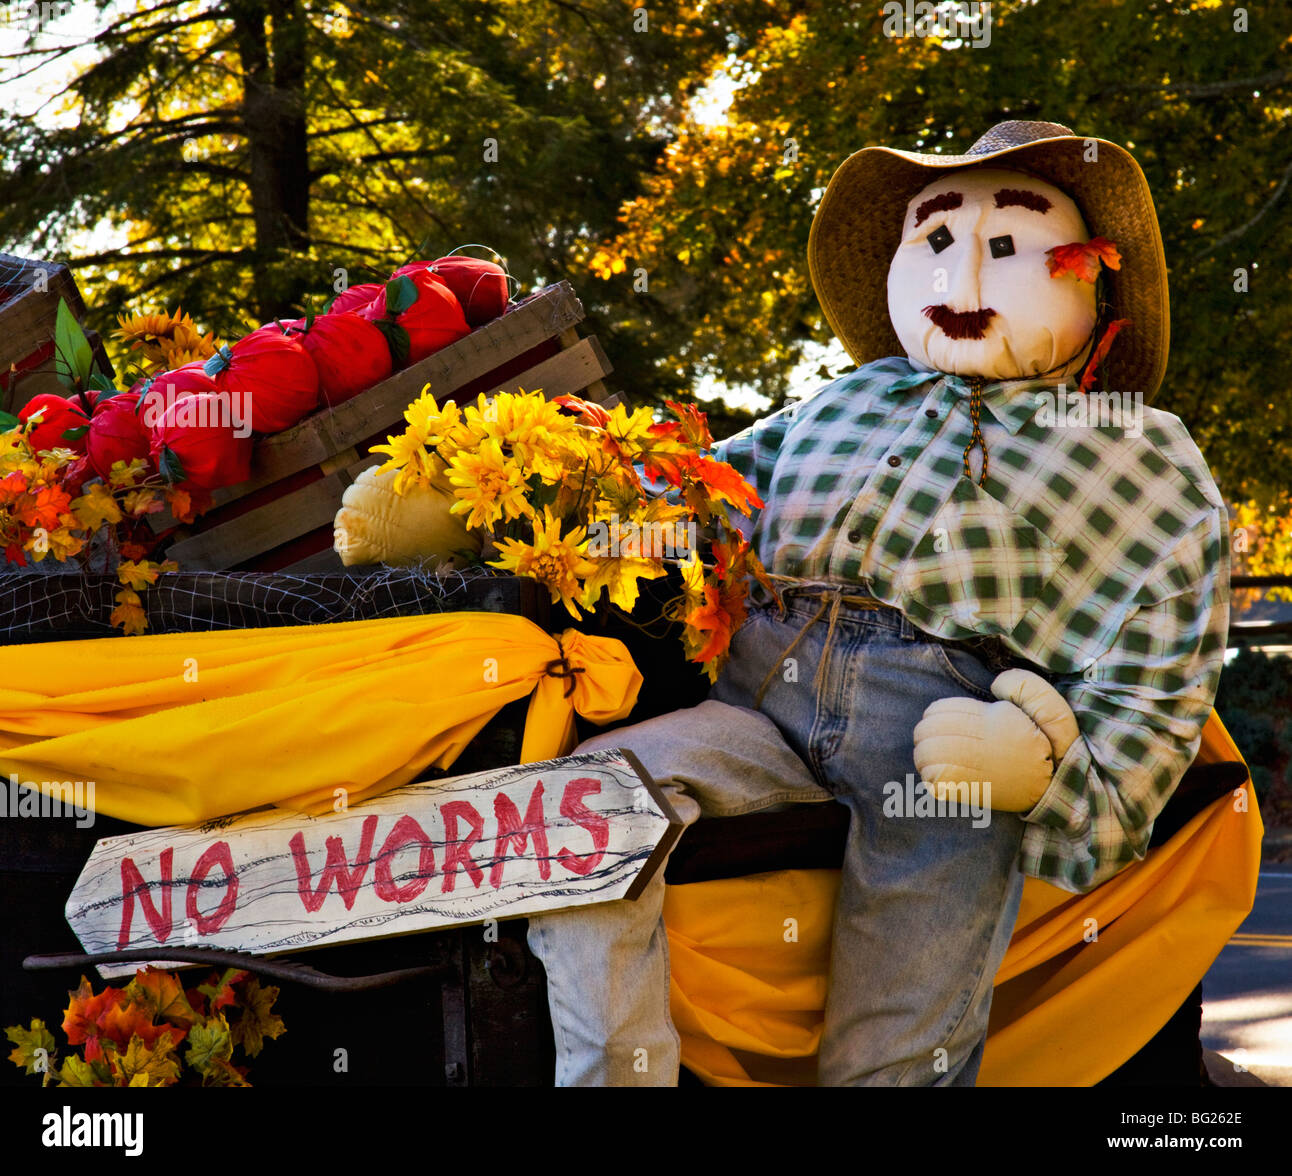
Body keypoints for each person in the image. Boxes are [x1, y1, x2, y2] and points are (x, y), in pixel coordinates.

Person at [525, 120, 1230, 1086]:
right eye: (936, 241)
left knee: (895, 1048)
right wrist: (558, 517)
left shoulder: (1132, 446)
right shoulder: (843, 398)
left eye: (1009, 246)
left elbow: (1164, 665)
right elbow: (701, 498)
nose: (964, 283)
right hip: (758, 694)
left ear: (1090, 277)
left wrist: (1051, 775)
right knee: (574, 814)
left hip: (944, 739)